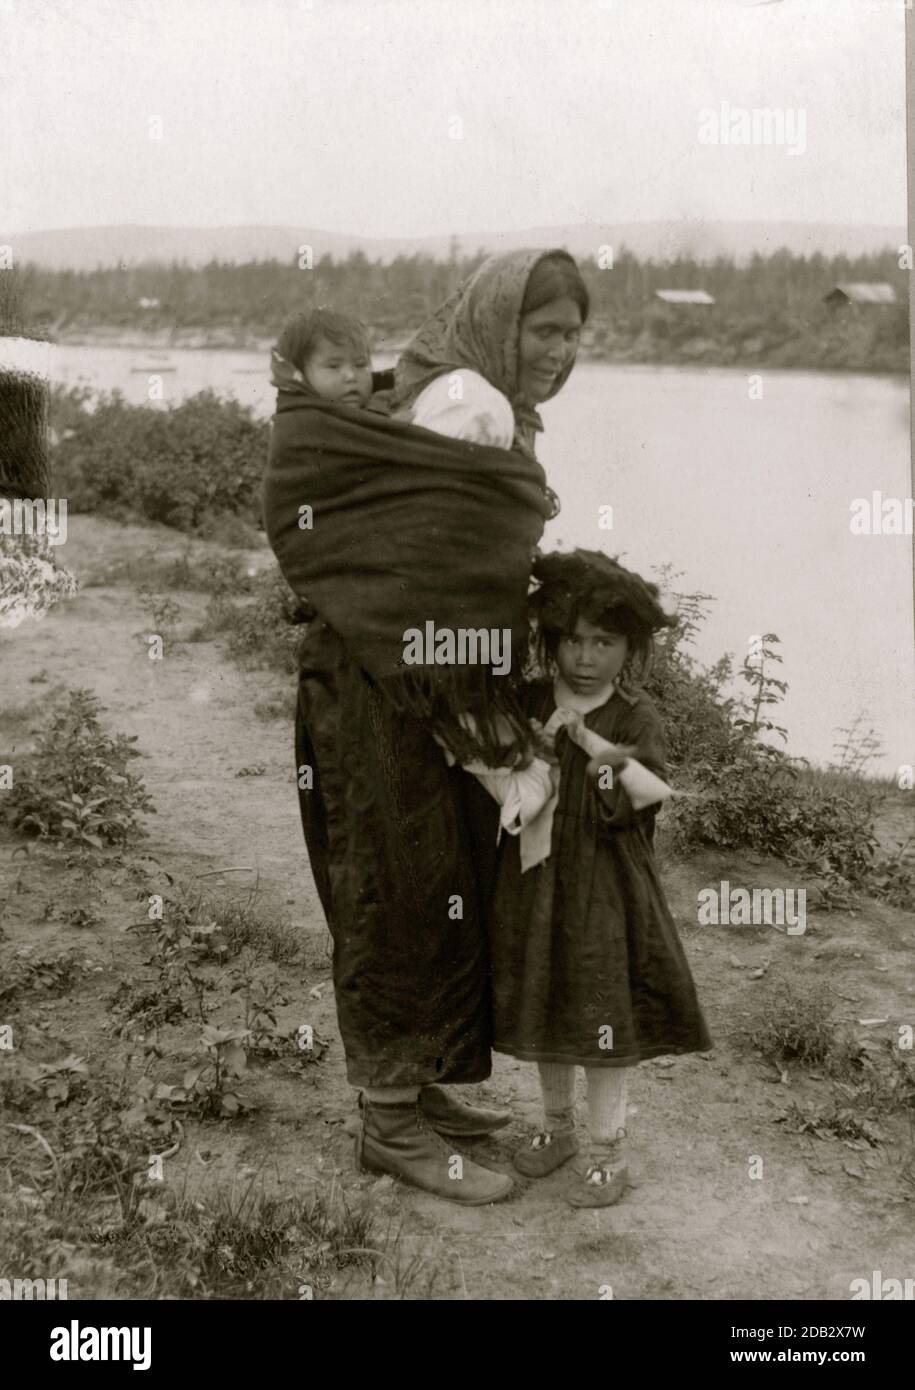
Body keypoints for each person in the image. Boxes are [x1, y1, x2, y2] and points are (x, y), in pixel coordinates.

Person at [267, 249, 590, 1204]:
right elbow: (429, 562)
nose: (562, 352)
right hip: (388, 681)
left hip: (408, 671)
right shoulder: (472, 404)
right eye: (544, 331)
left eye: (574, 334)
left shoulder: (475, 394)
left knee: (434, 875)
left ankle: (425, 1090)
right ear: (501, 324)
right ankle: (388, 1124)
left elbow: (446, 551)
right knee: (391, 885)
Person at [489, 549, 713, 1208]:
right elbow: (496, 757)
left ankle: (607, 1152)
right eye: (571, 640)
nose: (584, 657)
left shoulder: (634, 719)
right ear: (551, 641)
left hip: (605, 888)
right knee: (548, 1001)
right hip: (536, 881)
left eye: (604, 643)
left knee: (600, 1009)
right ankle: (555, 1129)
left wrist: (586, 744)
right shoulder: (531, 698)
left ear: (630, 647)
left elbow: (640, 797)